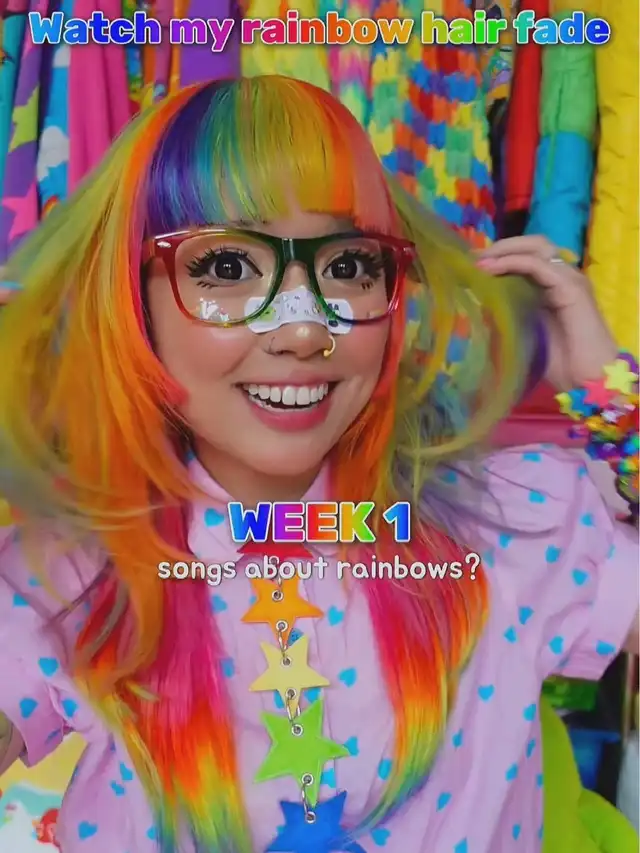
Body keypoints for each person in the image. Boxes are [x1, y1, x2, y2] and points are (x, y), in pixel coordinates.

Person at [0, 76, 637, 853]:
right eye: (227, 267)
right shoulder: (66, 577)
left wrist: (619, 405)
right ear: (134, 301)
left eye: (348, 265)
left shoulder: (508, 524)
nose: (305, 330)